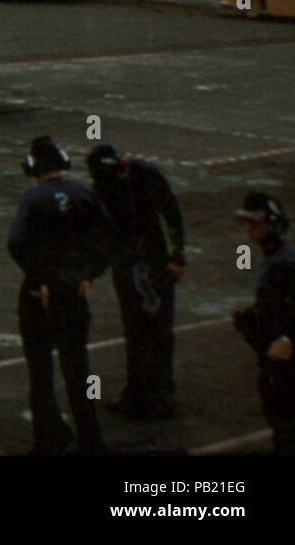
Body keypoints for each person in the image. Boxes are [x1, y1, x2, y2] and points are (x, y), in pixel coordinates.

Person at [8, 135, 112, 455]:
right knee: (78, 368)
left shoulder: (32, 199)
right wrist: (88, 274)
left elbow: (16, 243)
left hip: (43, 293)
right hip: (73, 288)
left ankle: (48, 437)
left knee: (40, 372)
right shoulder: (82, 193)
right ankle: (90, 437)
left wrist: (39, 279)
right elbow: (107, 236)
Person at [86, 144, 185, 419]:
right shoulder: (103, 188)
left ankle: (162, 395)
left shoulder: (143, 175)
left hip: (153, 262)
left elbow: (170, 211)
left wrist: (177, 256)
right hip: (129, 266)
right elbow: (102, 236)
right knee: (136, 329)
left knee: (158, 329)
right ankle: (139, 392)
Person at [232, 191, 295, 455]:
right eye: (246, 222)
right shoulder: (272, 259)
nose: (249, 228)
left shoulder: (286, 265)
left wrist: (289, 339)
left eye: (255, 223)